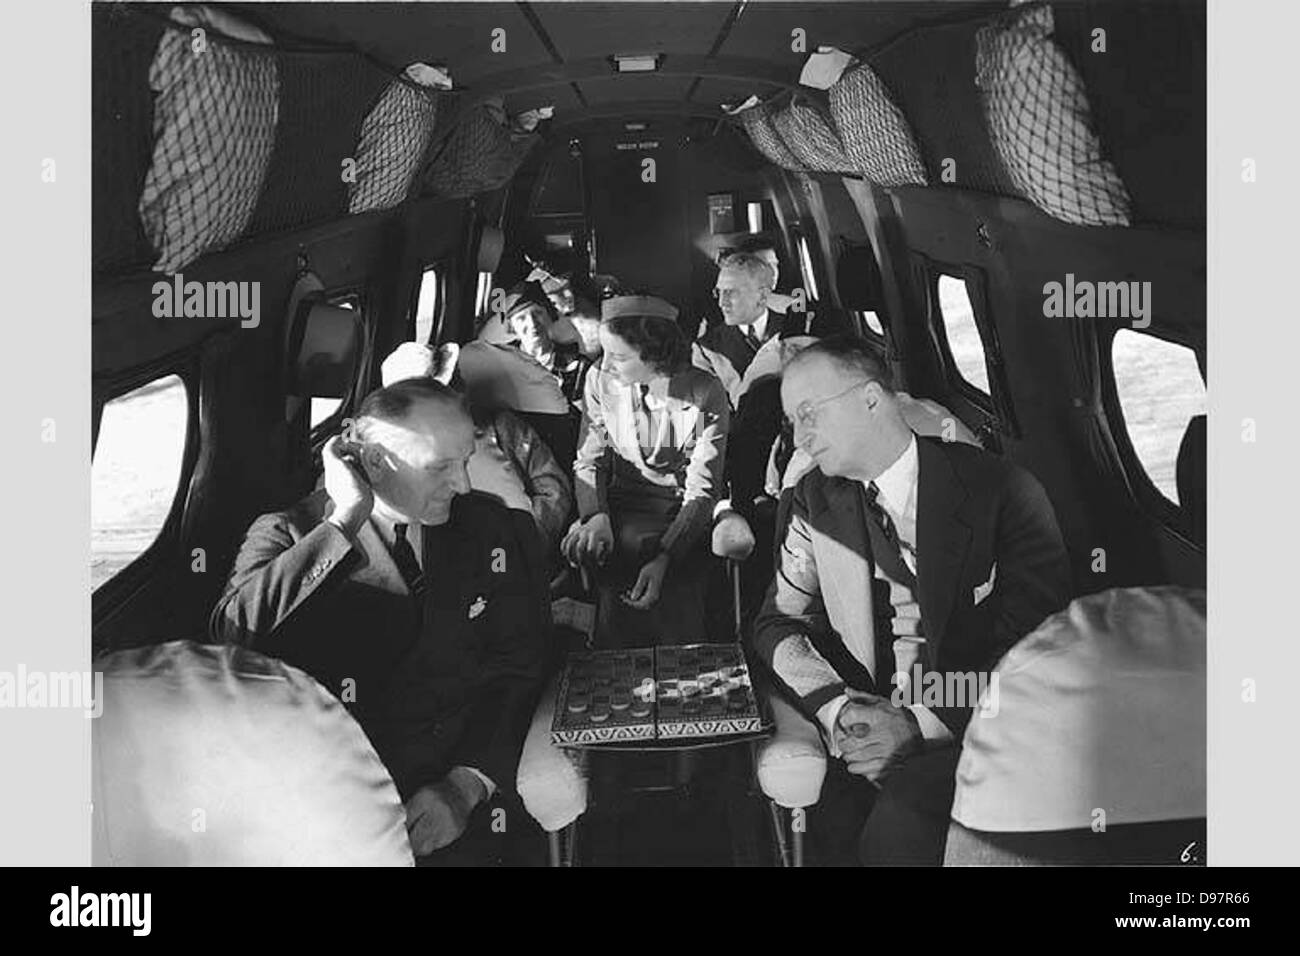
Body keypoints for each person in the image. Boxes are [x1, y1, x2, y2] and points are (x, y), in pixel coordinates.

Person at [751, 336, 1071, 865]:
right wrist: (839, 710)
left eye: (809, 415)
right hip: (861, 735)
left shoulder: (1003, 491)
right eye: (792, 422)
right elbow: (776, 623)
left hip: (976, 730)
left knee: (909, 823)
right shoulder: (812, 500)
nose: (800, 437)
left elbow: (1038, 648)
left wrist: (920, 724)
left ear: (872, 400)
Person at [210, 379, 551, 862]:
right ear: (374, 462)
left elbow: (519, 664)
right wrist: (345, 520)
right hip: (334, 803)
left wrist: (465, 784)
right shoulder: (293, 534)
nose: (464, 484)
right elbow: (236, 637)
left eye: (466, 460)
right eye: (440, 467)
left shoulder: (492, 528)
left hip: (465, 792)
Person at [563, 294, 730, 646]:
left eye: (620, 356)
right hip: (621, 504)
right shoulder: (599, 381)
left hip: (679, 508)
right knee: (602, 544)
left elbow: (702, 488)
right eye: (604, 353)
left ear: (655, 354)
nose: (605, 365)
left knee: (649, 552)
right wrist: (595, 515)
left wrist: (666, 555)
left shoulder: (704, 394)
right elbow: (590, 458)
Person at [381, 341, 573, 558]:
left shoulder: (504, 426)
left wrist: (524, 543)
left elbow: (553, 489)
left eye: (457, 379)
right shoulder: (401, 460)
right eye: (447, 389)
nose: (460, 392)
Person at [693, 252, 784, 407]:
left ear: (762, 296)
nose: (722, 302)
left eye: (731, 292)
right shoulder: (707, 350)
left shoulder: (794, 331)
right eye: (719, 292)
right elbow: (704, 411)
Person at [500, 280, 592, 409]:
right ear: (512, 327)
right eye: (521, 318)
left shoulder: (579, 367)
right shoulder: (499, 362)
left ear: (549, 316)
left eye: (537, 313)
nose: (532, 324)